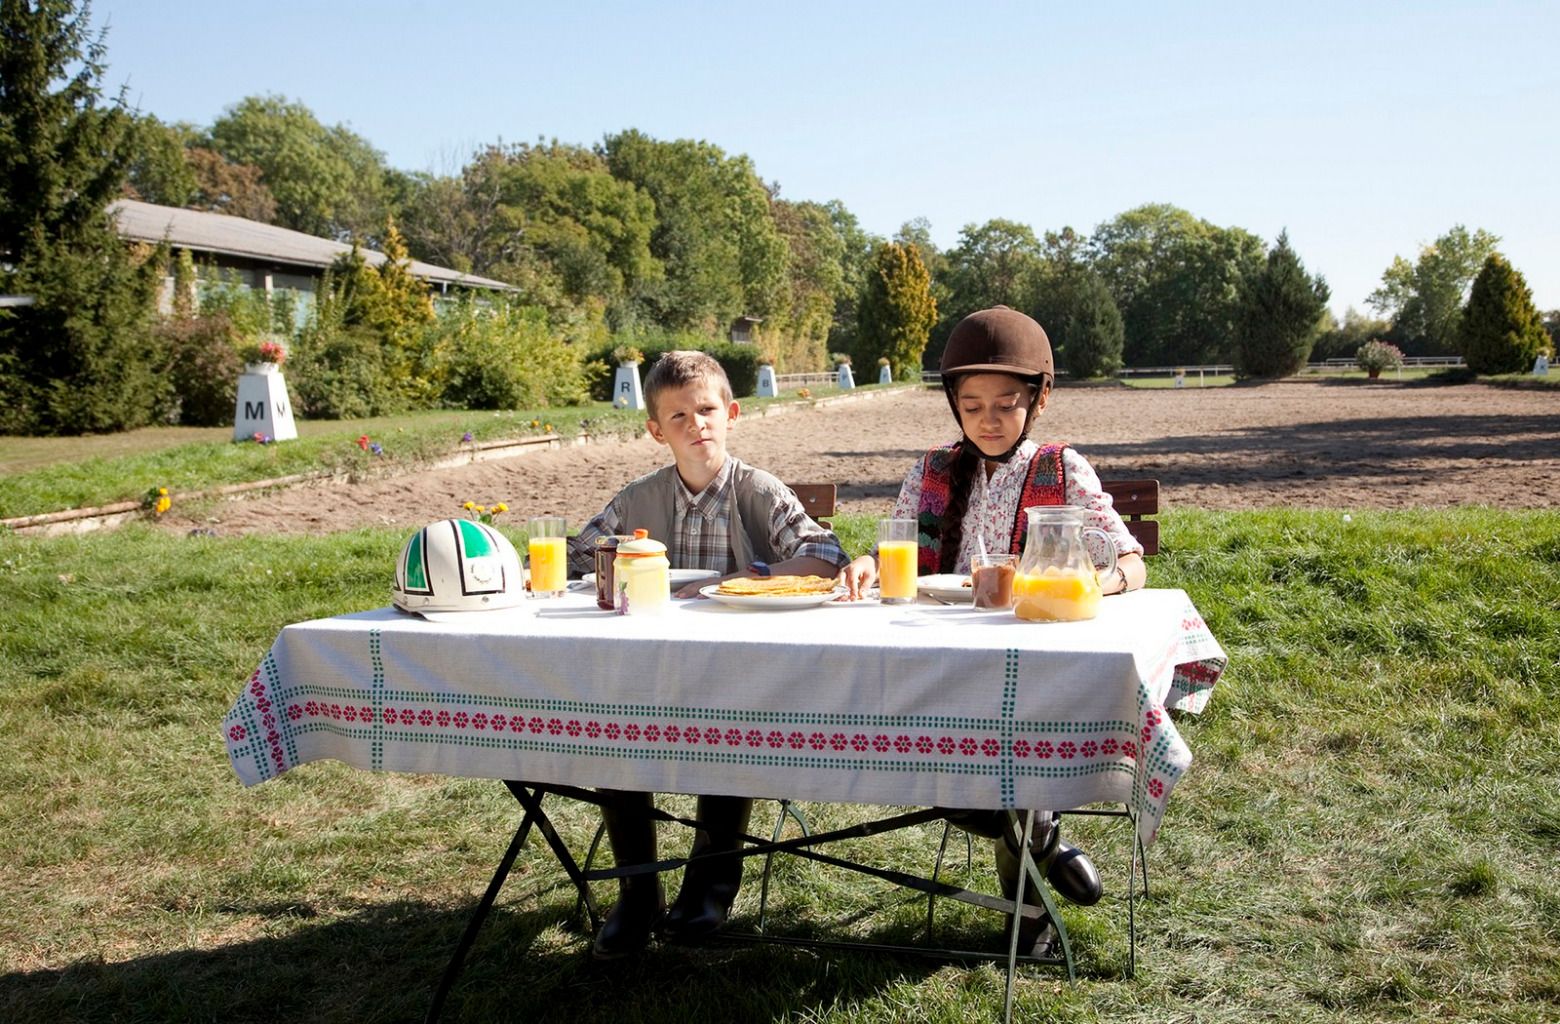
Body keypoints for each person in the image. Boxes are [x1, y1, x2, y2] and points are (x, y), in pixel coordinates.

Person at [840, 306, 1146, 956]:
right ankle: (1047, 841)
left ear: (1037, 401)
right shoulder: (931, 471)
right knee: (921, 750)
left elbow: (1132, 563)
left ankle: (1026, 913)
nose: (987, 418)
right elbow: (899, 552)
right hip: (935, 671)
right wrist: (867, 563)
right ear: (954, 404)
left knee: (1022, 750)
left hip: (1029, 673)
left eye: (1006, 403)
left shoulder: (1061, 472)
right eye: (972, 404)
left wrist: (1102, 582)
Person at [567, 350, 851, 959]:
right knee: (615, 725)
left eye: (706, 410)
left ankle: (708, 888)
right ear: (655, 429)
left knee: (729, 727)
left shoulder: (757, 489)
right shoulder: (641, 496)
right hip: (648, 662)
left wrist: (750, 575)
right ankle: (635, 894)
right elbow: (579, 554)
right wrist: (624, 555)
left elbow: (826, 556)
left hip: (737, 667)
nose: (696, 424)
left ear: (731, 413)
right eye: (677, 416)